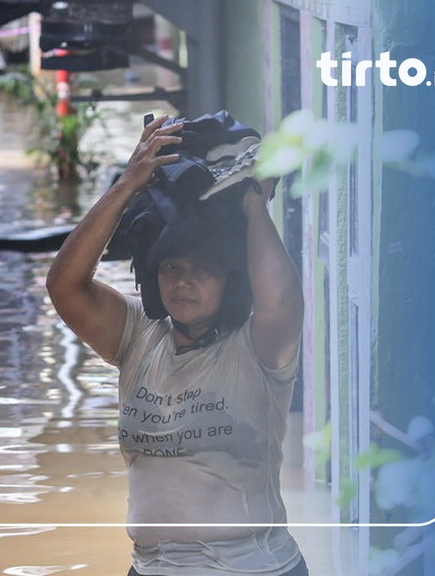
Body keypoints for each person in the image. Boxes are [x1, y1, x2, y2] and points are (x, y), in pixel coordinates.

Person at [45, 113, 308, 576]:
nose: (184, 283)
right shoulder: (138, 338)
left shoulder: (257, 350)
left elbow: (283, 299)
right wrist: (126, 185)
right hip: (151, 568)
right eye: (172, 268)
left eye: (203, 270)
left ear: (231, 281)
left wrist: (253, 207)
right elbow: (65, 285)